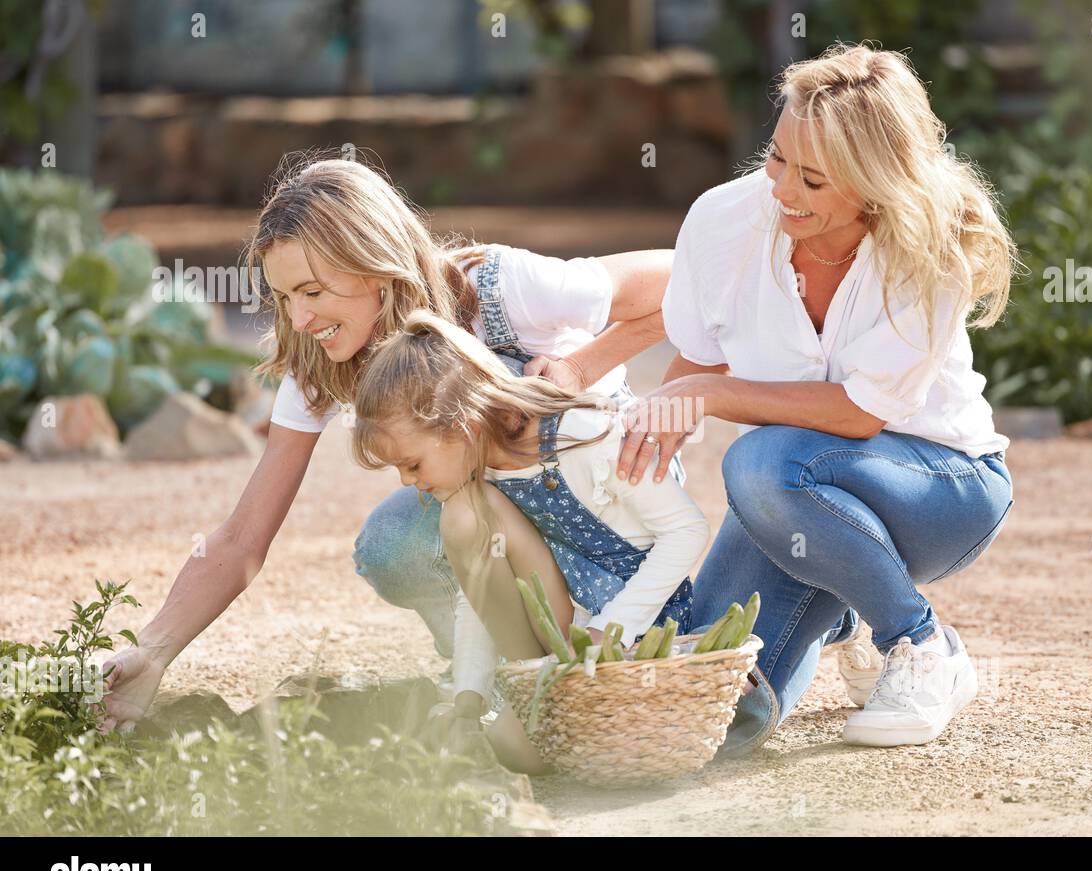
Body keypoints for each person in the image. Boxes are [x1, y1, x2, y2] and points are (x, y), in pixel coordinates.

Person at [98, 155, 679, 769]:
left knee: (419, 525)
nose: (299, 318)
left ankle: (551, 678)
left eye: (313, 292)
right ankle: (499, 679)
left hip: (611, 520)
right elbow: (244, 537)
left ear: (375, 267)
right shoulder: (318, 358)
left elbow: (679, 284)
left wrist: (578, 368)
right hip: (507, 528)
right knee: (396, 542)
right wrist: (154, 650)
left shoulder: (497, 288)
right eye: (284, 296)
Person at [617, 43, 1017, 754]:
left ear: (875, 183)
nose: (782, 192)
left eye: (812, 179)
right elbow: (697, 358)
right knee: (714, 714)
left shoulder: (929, 245)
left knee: (761, 466)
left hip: (943, 492)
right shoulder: (723, 221)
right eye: (776, 160)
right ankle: (841, 602)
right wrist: (654, 440)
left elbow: (858, 415)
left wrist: (710, 394)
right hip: (802, 501)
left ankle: (921, 645)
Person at [349, 309, 709, 769]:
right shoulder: (484, 475)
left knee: (523, 749)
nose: (407, 481)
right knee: (463, 517)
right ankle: (530, 690)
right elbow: (476, 597)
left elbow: (687, 529)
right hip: (563, 641)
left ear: (461, 427)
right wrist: (469, 694)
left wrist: (609, 629)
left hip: (631, 639)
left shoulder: (586, 435)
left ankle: (552, 714)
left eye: (412, 464)